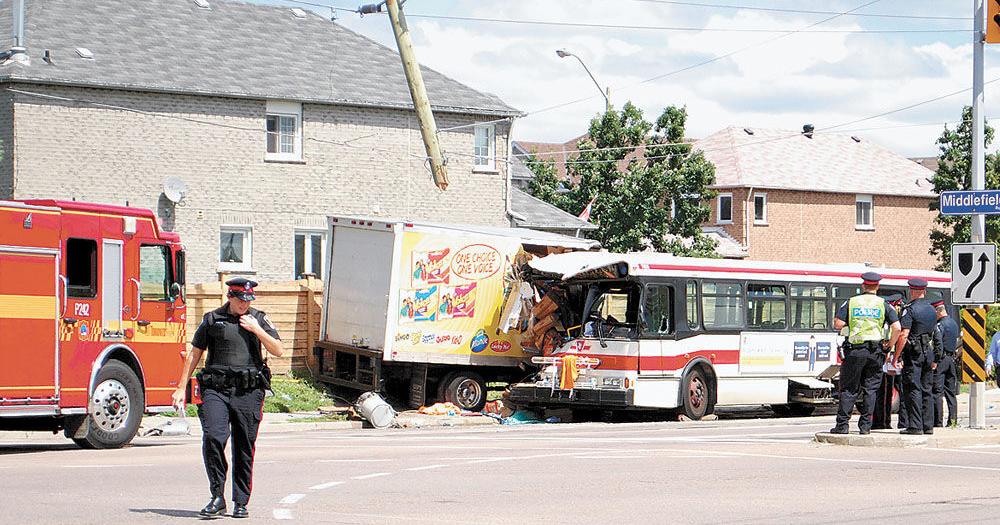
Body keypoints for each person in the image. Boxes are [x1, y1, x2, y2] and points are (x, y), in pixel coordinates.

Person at [171, 277, 284, 519]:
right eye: (240, 299)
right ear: (230, 297)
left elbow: (278, 349)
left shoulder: (259, 318)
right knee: (213, 436)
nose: (245, 304)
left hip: (248, 392)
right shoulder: (213, 319)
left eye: (248, 300)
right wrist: (181, 387)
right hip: (216, 390)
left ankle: (240, 501)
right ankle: (217, 496)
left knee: (244, 447)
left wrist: (256, 329)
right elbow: (194, 354)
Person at [830, 272, 901, 435]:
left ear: (863, 285)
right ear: (877, 286)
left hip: (855, 351)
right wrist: (889, 345)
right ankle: (865, 427)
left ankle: (842, 426)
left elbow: (838, 324)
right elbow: (896, 327)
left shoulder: (851, 302)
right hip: (876, 352)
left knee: (849, 389)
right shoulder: (884, 304)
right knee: (871, 389)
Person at [890, 278, 938, 435]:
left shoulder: (909, 309)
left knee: (913, 388)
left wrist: (896, 356)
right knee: (927, 389)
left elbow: (904, 334)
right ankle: (928, 425)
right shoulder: (932, 309)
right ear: (924, 291)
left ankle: (915, 425)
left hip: (914, 353)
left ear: (912, 291)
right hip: (928, 351)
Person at [872, 293, 904, 430]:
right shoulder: (888, 321)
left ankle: (883, 421)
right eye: (897, 305)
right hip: (887, 358)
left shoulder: (889, 318)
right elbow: (890, 338)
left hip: (889, 358)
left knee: (884, 391)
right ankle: (882, 421)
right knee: (883, 392)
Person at [932, 300, 959, 427]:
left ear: (939, 311)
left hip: (942, 360)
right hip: (952, 359)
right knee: (950, 392)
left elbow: (938, 344)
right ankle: (952, 420)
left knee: (937, 391)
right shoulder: (953, 323)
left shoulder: (940, 325)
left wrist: (935, 360)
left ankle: (937, 421)